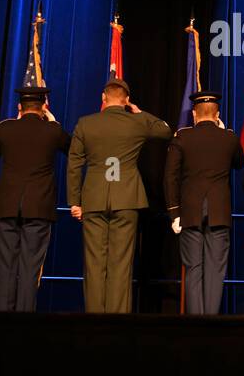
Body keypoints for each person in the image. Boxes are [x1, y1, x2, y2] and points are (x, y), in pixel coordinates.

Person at [66, 78, 172, 313]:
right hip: (126, 199)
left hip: (93, 199)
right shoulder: (137, 122)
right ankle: (118, 322)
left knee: (94, 264)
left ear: (103, 98)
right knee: (121, 265)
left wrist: (75, 201)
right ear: (126, 100)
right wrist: (139, 112)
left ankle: (94, 319)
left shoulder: (85, 124)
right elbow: (165, 131)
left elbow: (74, 164)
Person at [0, 85, 72, 312]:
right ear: (43, 108)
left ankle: (3, 319)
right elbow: (73, 150)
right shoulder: (53, 130)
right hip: (38, 208)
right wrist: (52, 122)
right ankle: (25, 322)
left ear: (19, 107)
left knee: (5, 267)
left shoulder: (4, 129)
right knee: (30, 269)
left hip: (7, 207)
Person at [163, 90, 244, 314]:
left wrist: (174, 213)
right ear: (217, 114)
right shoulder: (228, 137)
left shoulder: (182, 137)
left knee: (193, 270)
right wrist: (224, 132)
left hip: (189, 213)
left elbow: (170, 177)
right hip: (219, 212)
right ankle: (211, 325)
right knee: (216, 271)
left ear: (194, 115)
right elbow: (239, 162)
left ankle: (195, 325)